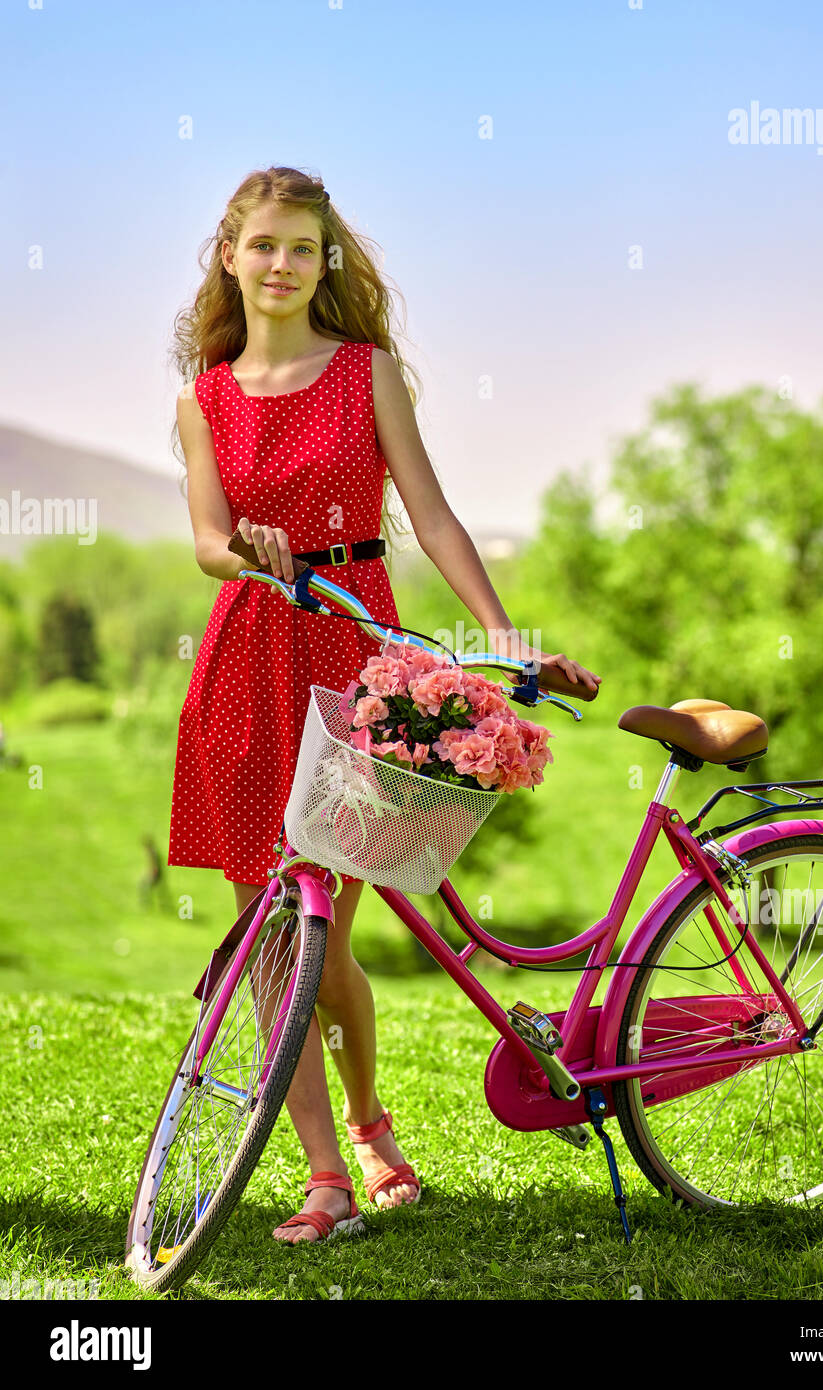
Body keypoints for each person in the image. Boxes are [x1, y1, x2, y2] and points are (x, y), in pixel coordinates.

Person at [167, 166, 601, 1246]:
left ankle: (366, 1117)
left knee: (327, 927)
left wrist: (502, 636)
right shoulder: (202, 399)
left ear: (326, 262)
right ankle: (329, 1168)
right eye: (262, 245)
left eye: (302, 248)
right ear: (231, 254)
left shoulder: (366, 374)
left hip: (355, 651)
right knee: (270, 938)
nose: (281, 264)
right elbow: (208, 541)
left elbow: (437, 516)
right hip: (246, 655)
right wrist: (245, 552)